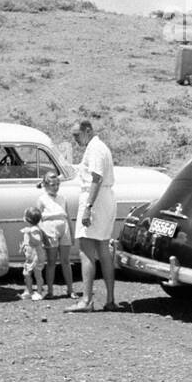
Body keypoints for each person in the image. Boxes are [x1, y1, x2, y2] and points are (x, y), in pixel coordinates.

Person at [64, 118, 121, 313]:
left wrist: (88, 206)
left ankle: (86, 300)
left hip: (95, 199)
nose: (75, 139)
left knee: (86, 248)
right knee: (103, 249)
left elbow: (96, 178)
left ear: (88, 131)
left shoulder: (96, 148)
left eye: (77, 135)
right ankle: (110, 299)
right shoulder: (97, 147)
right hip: (103, 199)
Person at [37, 170, 75, 298]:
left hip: (63, 226)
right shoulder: (42, 200)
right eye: (52, 185)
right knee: (51, 261)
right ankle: (50, 291)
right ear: (46, 185)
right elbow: (39, 219)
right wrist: (41, 235)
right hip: (49, 228)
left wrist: (72, 232)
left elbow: (68, 216)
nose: (55, 187)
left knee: (65, 260)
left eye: (57, 184)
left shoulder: (62, 199)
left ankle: (70, 289)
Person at [20, 206, 49, 300]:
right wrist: (23, 246)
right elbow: (28, 242)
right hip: (30, 257)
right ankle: (29, 291)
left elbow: (37, 240)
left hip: (36, 256)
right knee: (26, 274)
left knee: (37, 274)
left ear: (27, 219)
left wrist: (29, 234)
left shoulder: (34, 229)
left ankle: (39, 292)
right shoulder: (30, 228)